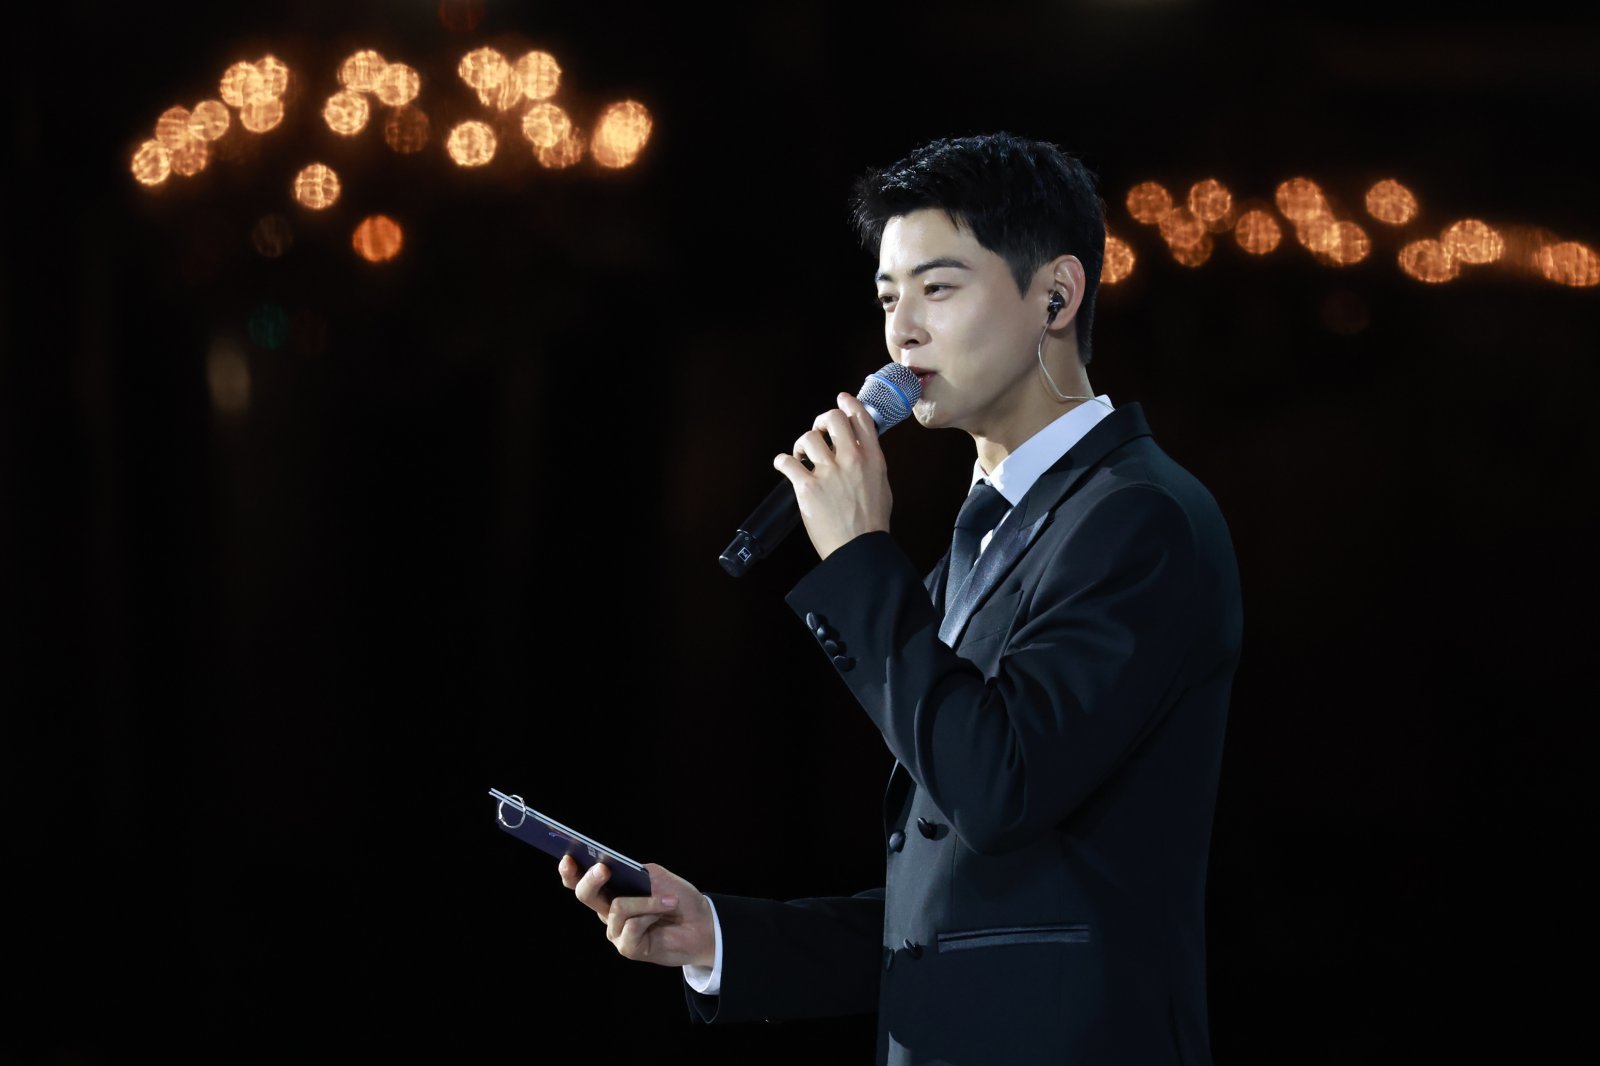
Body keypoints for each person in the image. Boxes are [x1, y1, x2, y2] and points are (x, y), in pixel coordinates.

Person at [557, 131, 1243, 1065]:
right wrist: (720, 937)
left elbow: (999, 789)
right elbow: (957, 907)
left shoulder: (1140, 519)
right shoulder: (986, 536)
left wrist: (860, 557)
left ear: (1056, 295)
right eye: (888, 297)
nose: (902, 332)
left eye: (938, 288)